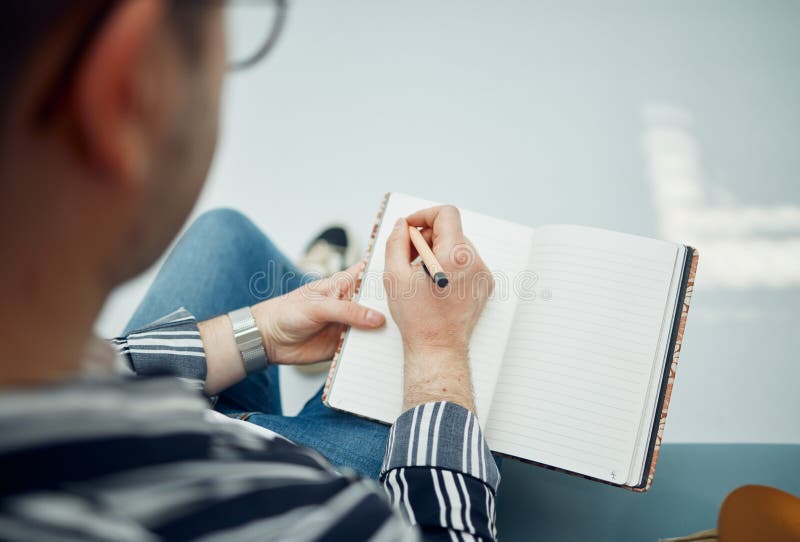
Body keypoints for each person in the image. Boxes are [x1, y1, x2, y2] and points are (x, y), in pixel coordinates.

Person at [0, 1, 499, 540]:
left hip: (192, 419)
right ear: (133, 82)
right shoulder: (317, 517)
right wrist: (436, 352)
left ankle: (306, 300)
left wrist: (258, 333)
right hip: (271, 459)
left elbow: (102, 367)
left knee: (224, 235)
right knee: (382, 398)